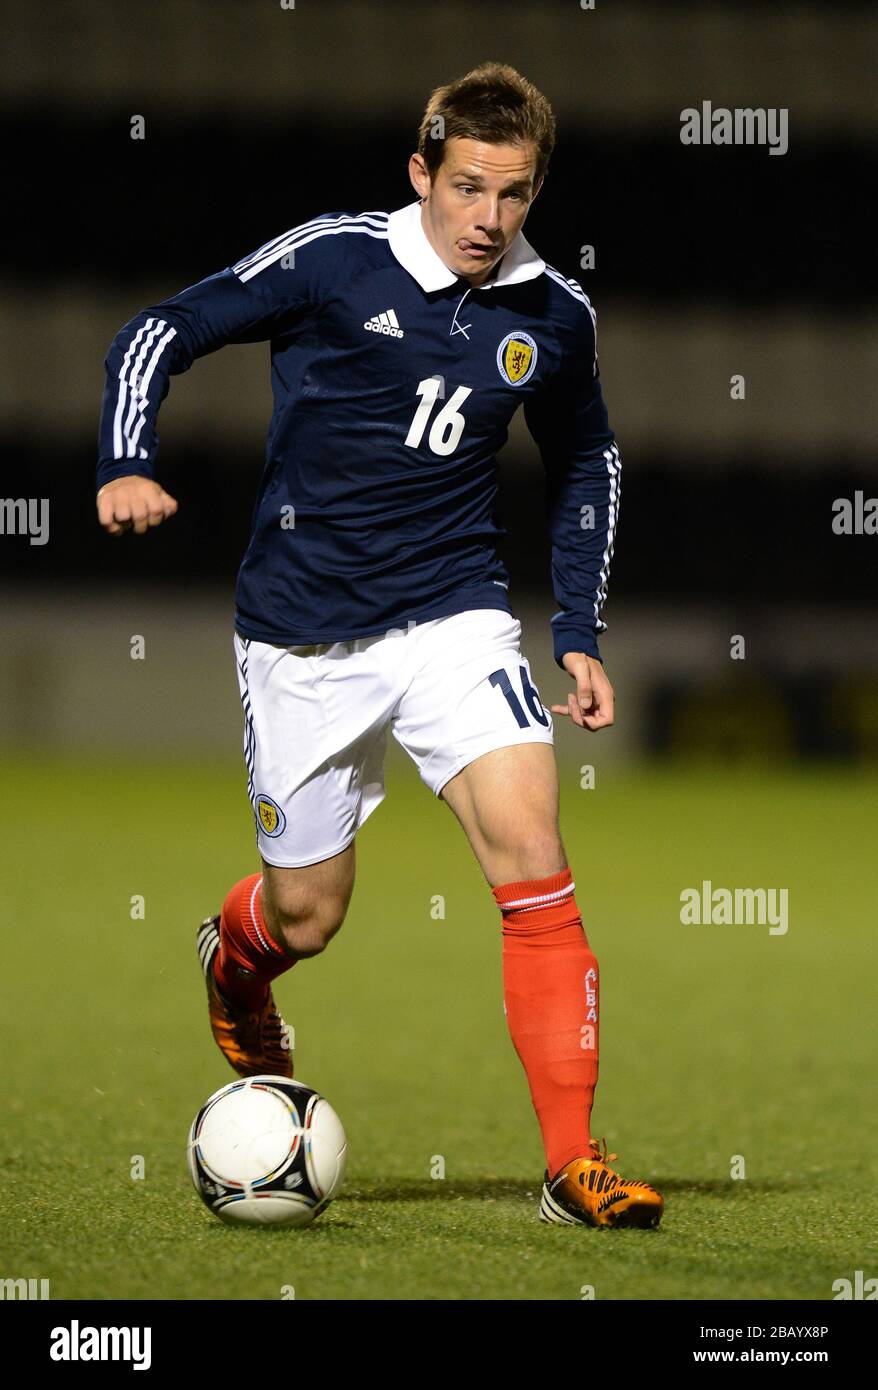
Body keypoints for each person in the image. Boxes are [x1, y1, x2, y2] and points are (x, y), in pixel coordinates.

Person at [95, 61, 662, 1230]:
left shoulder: (552, 311)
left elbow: (586, 460)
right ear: (420, 170)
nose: (486, 219)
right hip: (304, 635)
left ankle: (570, 1163)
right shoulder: (332, 258)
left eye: (511, 195)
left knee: (532, 854)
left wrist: (580, 629)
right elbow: (161, 329)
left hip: (455, 615)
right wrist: (124, 459)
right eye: (465, 188)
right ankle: (235, 958)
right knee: (310, 914)